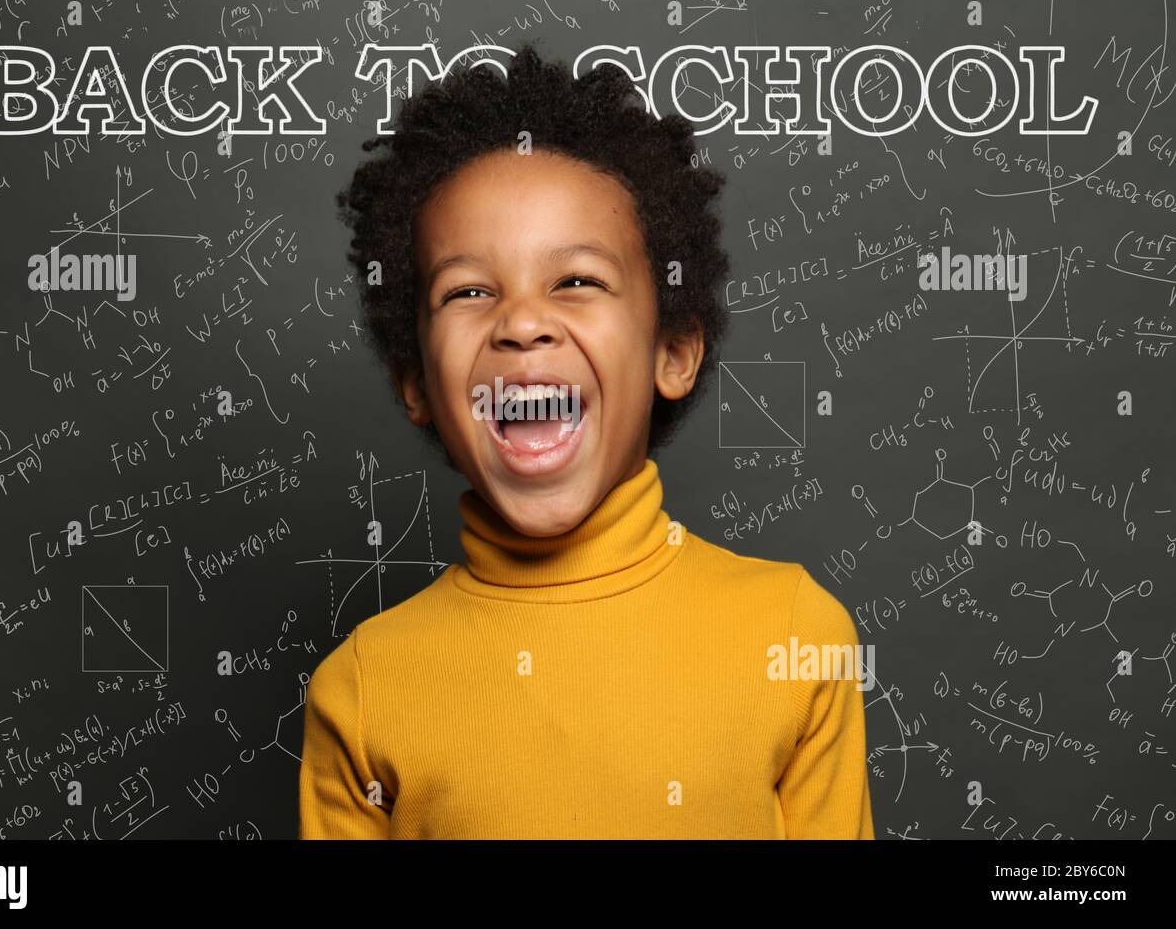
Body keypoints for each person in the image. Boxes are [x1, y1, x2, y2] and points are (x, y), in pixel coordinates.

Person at [300, 41, 874, 839]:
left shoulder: (797, 635)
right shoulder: (362, 690)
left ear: (671, 353)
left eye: (576, 281)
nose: (524, 322)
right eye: (468, 290)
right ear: (417, 387)